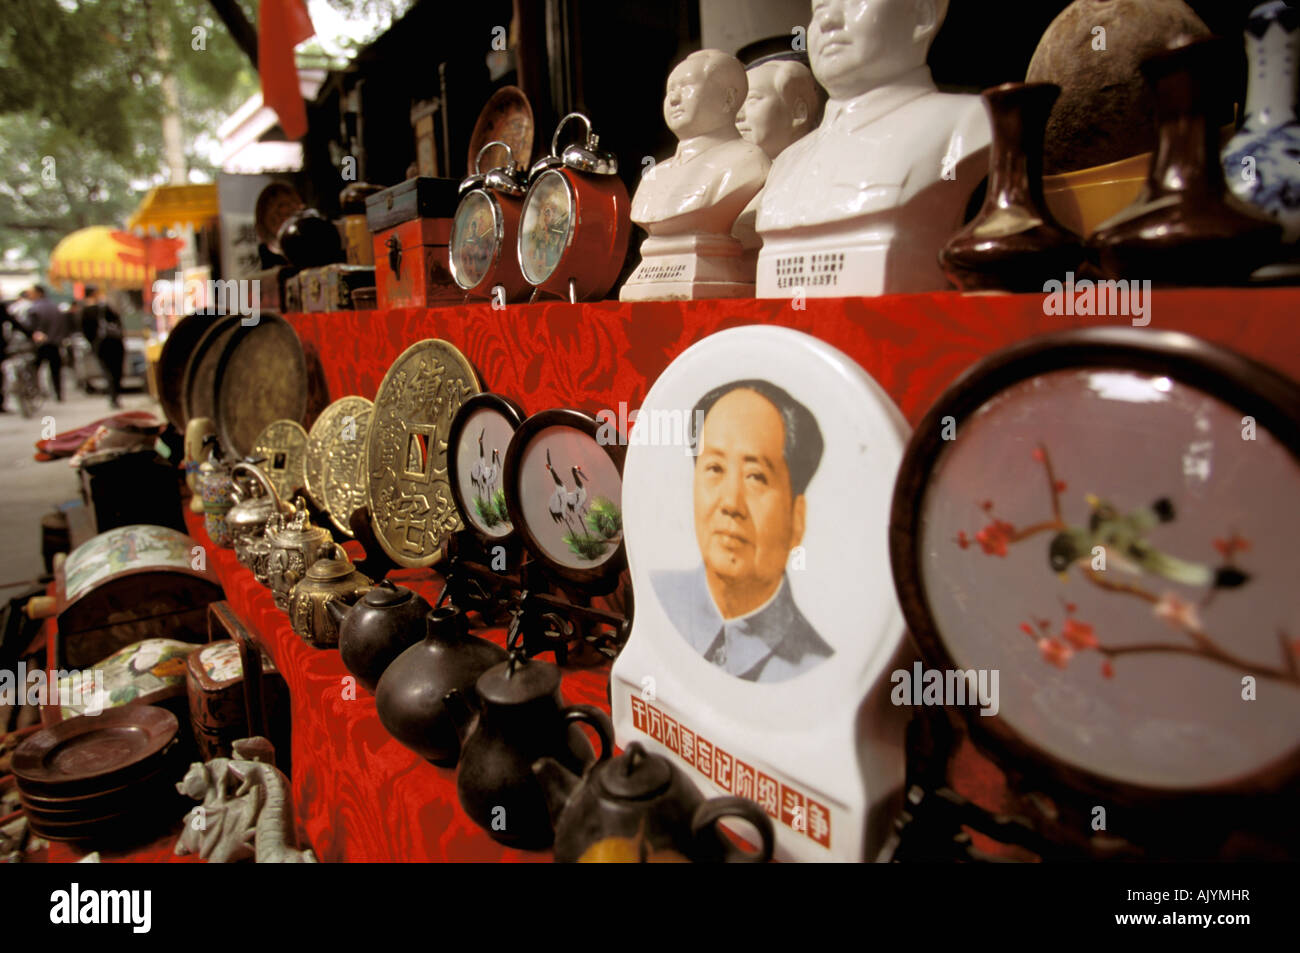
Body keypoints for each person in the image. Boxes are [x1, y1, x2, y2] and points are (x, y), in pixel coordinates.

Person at [755, 0, 991, 296]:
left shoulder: (970, 123)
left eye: (853, 1)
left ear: (921, 15)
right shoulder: (787, 161)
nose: (827, 20)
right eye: (818, 9)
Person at [651, 379, 834, 684]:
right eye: (715, 469)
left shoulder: (815, 671)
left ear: (797, 518)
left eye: (756, 476)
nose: (731, 503)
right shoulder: (656, 601)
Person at [79, 285, 125, 408]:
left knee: (107, 371)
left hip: (100, 345)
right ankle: (115, 394)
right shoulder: (104, 306)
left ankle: (113, 396)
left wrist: (93, 344)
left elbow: (85, 330)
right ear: (94, 293)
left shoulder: (85, 310)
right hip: (114, 342)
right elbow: (118, 322)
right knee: (117, 370)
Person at [22, 285, 70, 402]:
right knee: (56, 371)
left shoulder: (34, 308)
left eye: (31, 293)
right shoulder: (55, 307)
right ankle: (58, 394)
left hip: (40, 344)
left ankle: (36, 392)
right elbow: (64, 326)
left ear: (38, 293)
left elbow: (29, 327)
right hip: (55, 343)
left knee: (34, 369)